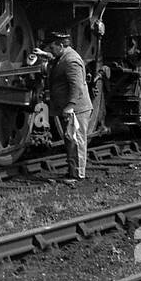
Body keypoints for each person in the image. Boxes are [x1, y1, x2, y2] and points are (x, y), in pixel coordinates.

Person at [46, 29, 93, 183]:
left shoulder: (71, 60)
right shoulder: (64, 56)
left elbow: (77, 86)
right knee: (71, 140)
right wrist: (45, 55)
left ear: (60, 45)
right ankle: (73, 172)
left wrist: (70, 105)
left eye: (52, 48)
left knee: (77, 141)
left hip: (77, 108)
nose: (51, 51)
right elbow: (56, 61)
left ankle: (78, 175)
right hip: (72, 108)